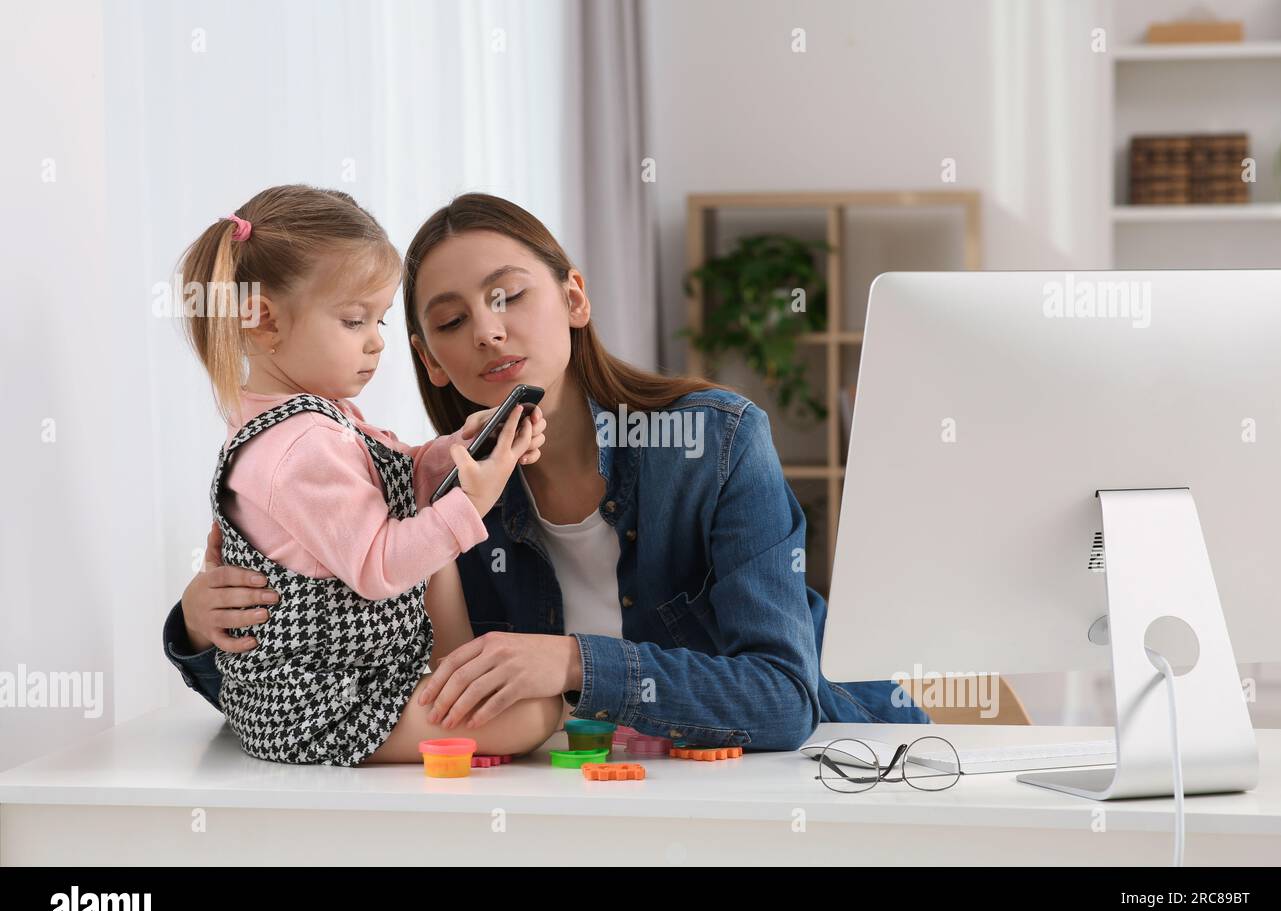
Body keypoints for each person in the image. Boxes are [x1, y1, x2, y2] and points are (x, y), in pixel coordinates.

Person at [165, 192, 929, 754]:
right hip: (598, 803)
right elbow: (334, 695)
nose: (489, 329)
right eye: (452, 320)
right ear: (430, 359)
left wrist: (568, 662)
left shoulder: (716, 442)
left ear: (573, 297)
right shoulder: (428, 502)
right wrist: (204, 629)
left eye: (508, 295)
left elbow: (783, 702)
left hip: (849, 773)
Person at [175, 185, 556, 767]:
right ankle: (450, 696)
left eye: (378, 318)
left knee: (528, 700)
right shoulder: (299, 447)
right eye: (354, 320)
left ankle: (450, 689)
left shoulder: (316, 422)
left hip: (358, 673)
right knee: (539, 713)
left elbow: (398, 480)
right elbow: (380, 565)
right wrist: (470, 504)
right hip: (322, 704)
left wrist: (456, 449)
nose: (378, 342)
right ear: (265, 322)